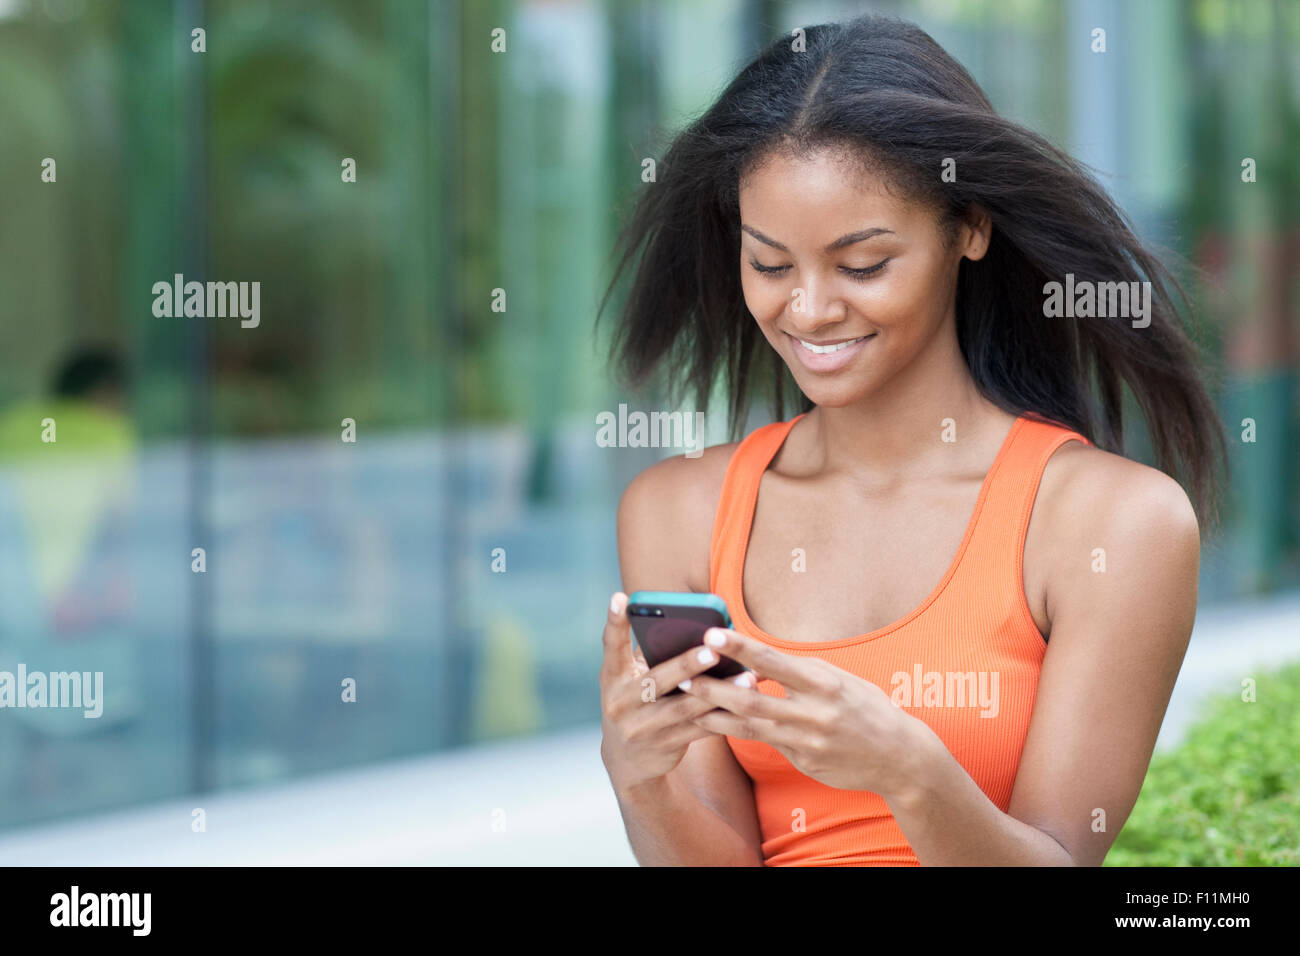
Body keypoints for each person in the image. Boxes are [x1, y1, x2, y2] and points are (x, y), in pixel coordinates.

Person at [596, 15, 1224, 866]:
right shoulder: (676, 513)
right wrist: (641, 784)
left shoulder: (1113, 523)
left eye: (862, 266)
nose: (809, 310)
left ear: (968, 229)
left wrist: (909, 773)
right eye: (771, 266)